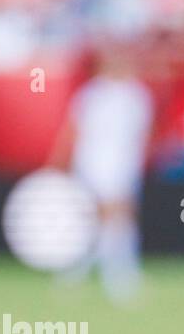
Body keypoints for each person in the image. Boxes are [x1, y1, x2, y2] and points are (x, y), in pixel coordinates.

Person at [50, 43, 154, 303]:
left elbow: (143, 134)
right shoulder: (92, 95)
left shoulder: (136, 95)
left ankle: (108, 272)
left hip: (122, 165)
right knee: (101, 217)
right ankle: (106, 273)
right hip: (93, 164)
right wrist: (59, 162)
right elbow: (72, 131)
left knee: (118, 217)